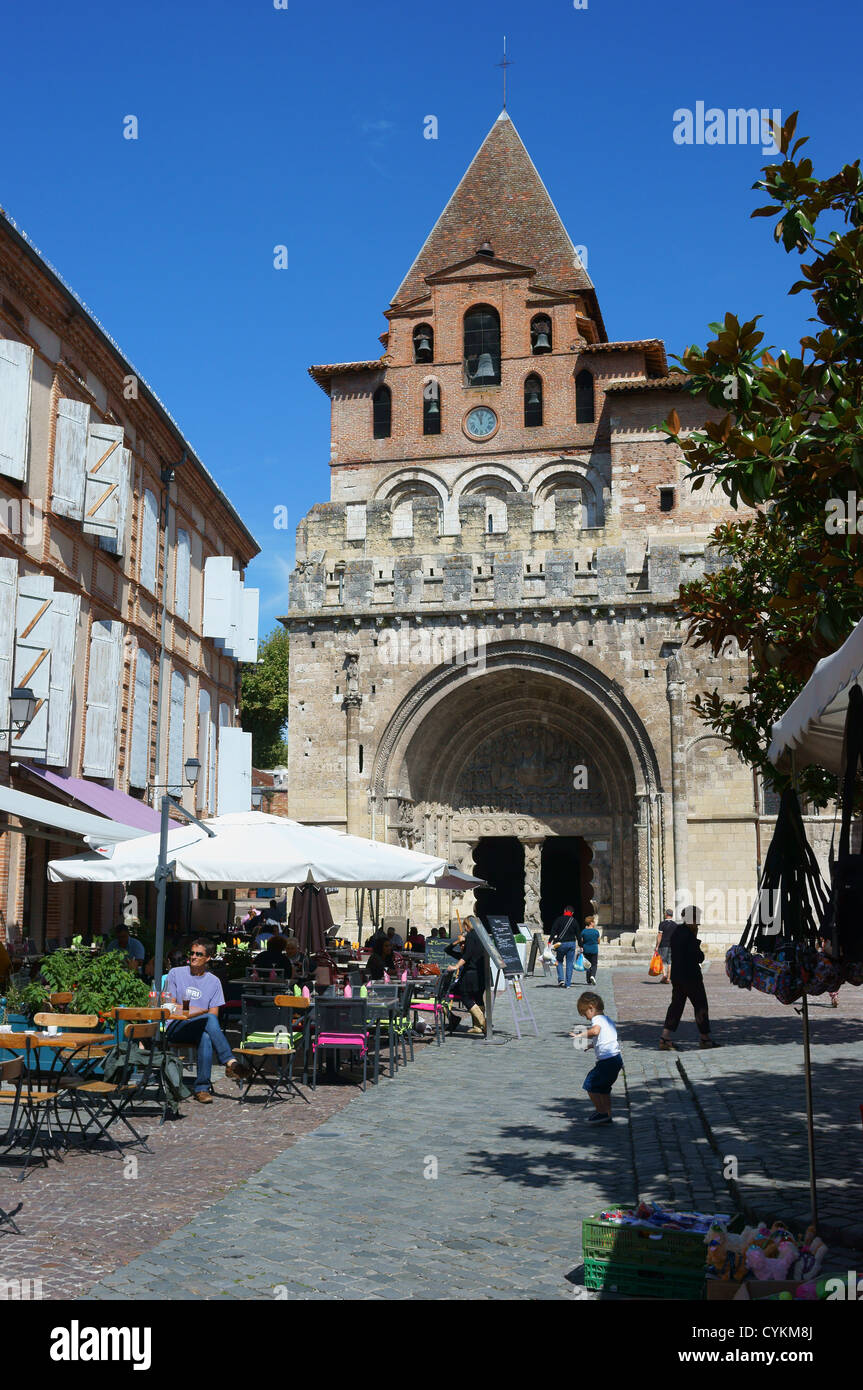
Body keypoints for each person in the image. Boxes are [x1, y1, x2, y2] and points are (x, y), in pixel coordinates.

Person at [163, 938, 249, 1102]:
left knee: (206, 1036)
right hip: (176, 1026)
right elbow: (170, 1006)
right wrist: (196, 1012)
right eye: (192, 953)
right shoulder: (176, 973)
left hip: (199, 1029)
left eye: (199, 954)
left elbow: (214, 1015)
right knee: (207, 1019)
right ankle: (230, 1062)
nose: (193, 957)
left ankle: (202, 1089)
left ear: (208, 958)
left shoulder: (214, 982)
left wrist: (198, 1015)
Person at [659, 907, 720, 1050]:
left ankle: (665, 1037)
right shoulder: (688, 934)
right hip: (691, 976)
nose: (698, 924)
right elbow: (698, 956)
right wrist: (696, 938)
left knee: (676, 1006)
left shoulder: (677, 932)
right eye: (697, 920)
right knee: (701, 1006)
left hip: (678, 976)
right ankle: (705, 1039)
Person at [570, 991, 623, 1125]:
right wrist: (592, 1045)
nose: (586, 1018)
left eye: (585, 1013)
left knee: (590, 1084)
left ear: (591, 1007)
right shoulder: (608, 1020)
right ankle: (607, 1114)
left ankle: (601, 1112)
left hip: (607, 1062)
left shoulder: (597, 1020)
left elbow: (595, 1031)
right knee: (604, 1089)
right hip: (616, 1059)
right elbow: (606, 1038)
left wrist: (580, 1035)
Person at [445, 919, 487, 1035]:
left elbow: (468, 955)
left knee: (465, 995)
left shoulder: (471, 936)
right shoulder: (481, 935)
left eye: (465, 927)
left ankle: (483, 1022)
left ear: (467, 925)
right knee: (478, 997)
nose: (464, 929)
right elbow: (449, 950)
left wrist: (456, 966)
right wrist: (458, 941)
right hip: (482, 973)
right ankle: (477, 1027)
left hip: (471, 973)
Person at [549, 905, 580, 988]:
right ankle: (568, 984)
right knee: (570, 963)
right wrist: (581, 945)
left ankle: (561, 979)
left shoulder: (559, 920)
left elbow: (553, 931)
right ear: (572, 913)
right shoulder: (574, 921)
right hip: (571, 944)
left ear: (564, 911)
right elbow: (578, 935)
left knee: (559, 961)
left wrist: (549, 941)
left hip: (561, 944)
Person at [655, 908, 676, 983]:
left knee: (663, 961)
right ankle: (668, 978)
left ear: (666, 915)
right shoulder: (675, 925)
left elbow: (660, 935)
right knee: (670, 962)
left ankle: (664, 975)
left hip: (663, 944)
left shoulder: (662, 923)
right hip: (672, 945)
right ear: (672, 915)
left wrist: (657, 946)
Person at [579, 915, 601, 986]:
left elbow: (581, 941)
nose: (594, 923)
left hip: (586, 950)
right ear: (591, 923)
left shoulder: (583, 931)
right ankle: (593, 976)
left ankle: (588, 980)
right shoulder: (596, 932)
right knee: (594, 964)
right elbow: (598, 941)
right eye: (593, 922)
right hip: (594, 950)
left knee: (587, 965)